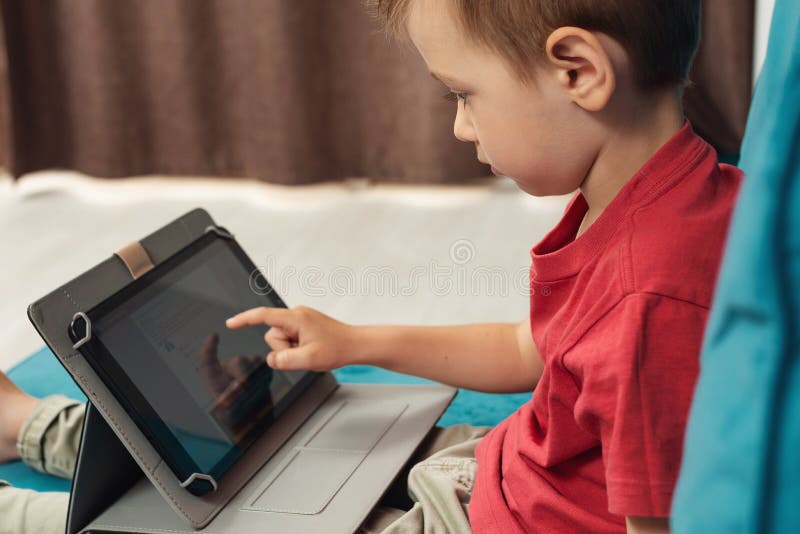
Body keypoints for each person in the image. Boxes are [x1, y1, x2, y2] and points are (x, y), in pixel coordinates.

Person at [1, 0, 742, 532]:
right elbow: (535, 349)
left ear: (577, 71)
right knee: (272, 447)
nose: (459, 125)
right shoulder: (676, 196)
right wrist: (357, 341)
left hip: (491, 515)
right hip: (511, 469)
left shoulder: (651, 302)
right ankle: (34, 425)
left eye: (464, 95)